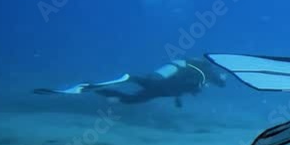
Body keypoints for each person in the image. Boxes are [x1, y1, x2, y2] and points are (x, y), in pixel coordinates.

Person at [34, 58, 227, 107]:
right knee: (131, 100)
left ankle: (95, 87)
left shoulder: (191, 68)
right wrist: (222, 78)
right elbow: (221, 84)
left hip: (157, 83)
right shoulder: (206, 73)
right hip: (163, 89)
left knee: (134, 92)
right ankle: (99, 90)